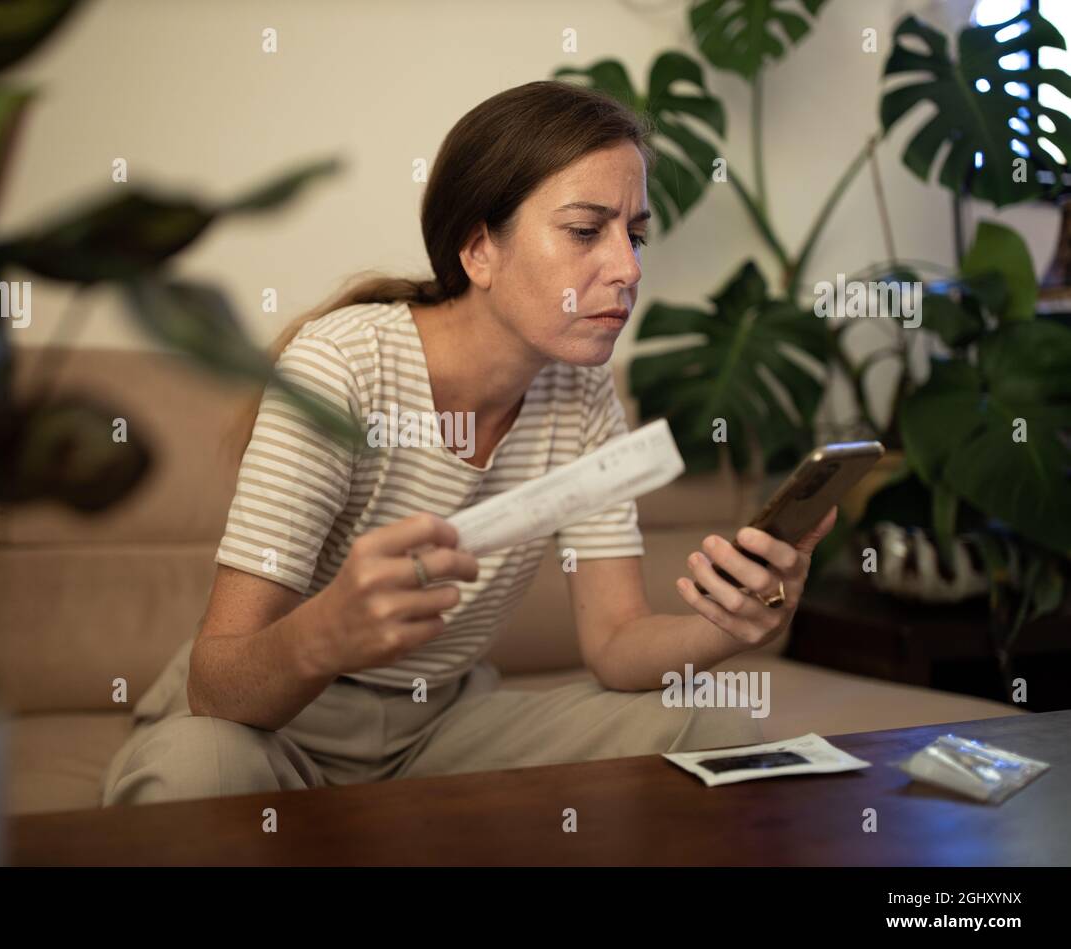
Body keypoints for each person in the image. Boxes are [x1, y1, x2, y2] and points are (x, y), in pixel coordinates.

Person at [101, 80, 835, 806]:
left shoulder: (583, 396)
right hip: (273, 727)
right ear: (480, 250)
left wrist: (728, 628)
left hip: (439, 727)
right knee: (197, 773)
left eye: (635, 235)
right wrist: (327, 630)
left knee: (718, 720)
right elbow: (217, 680)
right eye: (586, 231)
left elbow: (616, 643)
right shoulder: (344, 366)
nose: (629, 268)